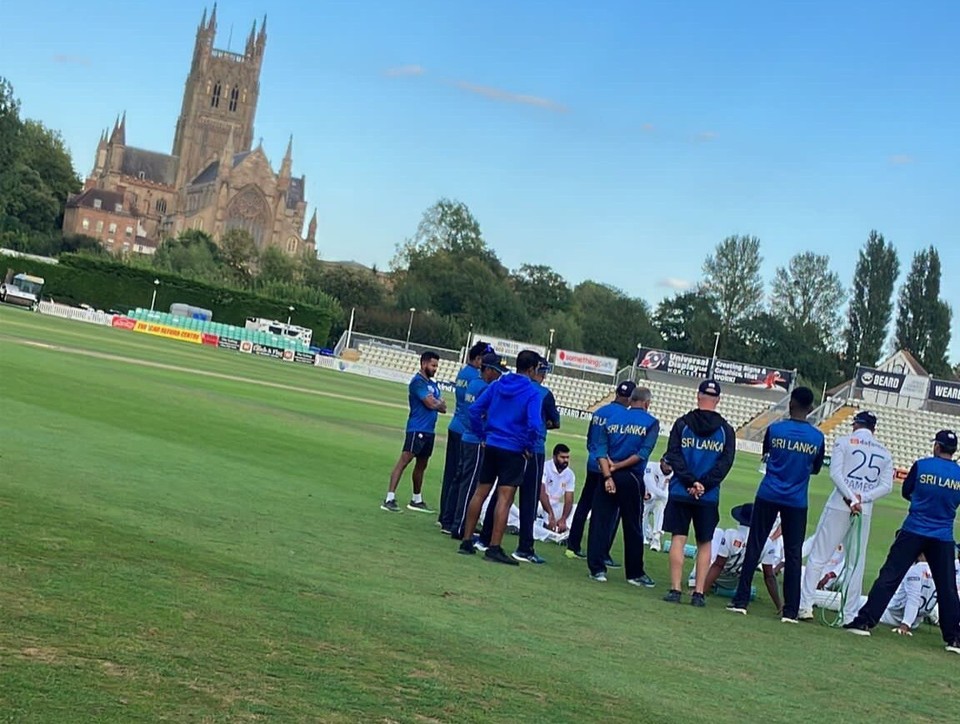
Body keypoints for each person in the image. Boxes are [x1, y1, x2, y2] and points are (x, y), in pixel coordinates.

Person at [845, 430, 960, 655]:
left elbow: (907, 492)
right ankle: (954, 638)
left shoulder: (922, 465)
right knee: (946, 587)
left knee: (889, 576)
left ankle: (865, 622)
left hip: (914, 528)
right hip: (942, 535)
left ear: (937, 446)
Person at [728, 387, 825, 622]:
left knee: (755, 545)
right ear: (811, 408)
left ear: (791, 404)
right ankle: (791, 611)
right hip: (796, 500)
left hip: (769, 493)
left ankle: (740, 601)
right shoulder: (817, 437)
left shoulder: (775, 430)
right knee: (793, 554)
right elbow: (815, 468)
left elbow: (767, 455)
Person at [799, 410, 893, 624]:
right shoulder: (885, 452)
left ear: (856, 425)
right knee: (855, 563)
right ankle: (849, 615)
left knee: (819, 556)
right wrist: (862, 498)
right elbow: (886, 486)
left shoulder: (844, 442)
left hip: (839, 505)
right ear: (873, 429)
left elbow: (835, 474)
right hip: (863, 509)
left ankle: (805, 606)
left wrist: (851, 498)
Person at [458, 350, 544, 565]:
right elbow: (534, 424)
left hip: (493, 443)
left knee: (480, 492)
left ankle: (467, 540)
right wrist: (528, 446)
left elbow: (475, 409)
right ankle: (494, 547)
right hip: (514, 448)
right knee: (505, 498)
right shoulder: (532, 392)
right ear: (532, 369)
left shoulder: (498, 384)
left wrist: (482, 434)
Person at [662, 379, 736, 607]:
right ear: (718, 400)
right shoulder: (726, 430)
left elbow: (674, 455)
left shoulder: (682, 424)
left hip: (681, 490)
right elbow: (725, 464)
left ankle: (675, 589)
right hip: (708, 495)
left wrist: (690, 481)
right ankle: (698, 593)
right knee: (705, 543)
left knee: (678, 538)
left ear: (698, 396)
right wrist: (703, 484)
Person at [587, 386, 659, 584]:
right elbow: (642, 454)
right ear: (646, 403)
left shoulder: (612, 419)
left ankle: (597, 569)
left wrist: (608, 475)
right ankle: (635, 573)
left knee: (600, 521)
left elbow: (600, 450)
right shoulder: (651, 422)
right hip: (631, 477)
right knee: (633, 524)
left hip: (607, 474)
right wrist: (619, 466)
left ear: (631, 400)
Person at [565, 381, 636, 561]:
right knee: (605, 512)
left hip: (592, 463)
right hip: (608, 466)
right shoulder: (624, 417)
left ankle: (572, 545)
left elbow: (590, 440)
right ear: (630, 398)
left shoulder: (599, 412)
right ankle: (600, 553)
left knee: (584, 505)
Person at [448, 353, 507, 539]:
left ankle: (455, 521)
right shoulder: (484, 388)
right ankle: (461, 527)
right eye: (496, 371)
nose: (498, 376)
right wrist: (483, 436)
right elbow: (481, 415)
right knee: (471, 486)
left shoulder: (474, 383)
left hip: (467, 436)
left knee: (463, 481)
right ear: (487, 370)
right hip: (475, 441)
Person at [382, 350, 447, 513]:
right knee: (404, 461)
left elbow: (443, 407)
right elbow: (431, 404)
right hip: (416, 428)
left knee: (422, 465)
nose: (435, 369)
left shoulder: (433, 385)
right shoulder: (417, 382)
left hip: (429, 431)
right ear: (424, 364)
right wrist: (437, 403)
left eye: (436, 366)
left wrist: (437, 403)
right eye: (433, 365)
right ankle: (389, 497)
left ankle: (416, 499)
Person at [438, 341, 493, 532]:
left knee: (453, 475)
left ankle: (447, 516)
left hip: (457, 425)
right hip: (468, 430)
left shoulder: (463, 373)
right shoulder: (476, 379)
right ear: (479, 359)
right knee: (465, 479)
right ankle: (457, 519)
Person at [694, 504, 784, 611]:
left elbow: (718, 565)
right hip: (736, 584)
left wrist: (701, 591)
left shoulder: (730, 534)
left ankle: (698, 584)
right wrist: (779, 604)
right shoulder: (767, 543)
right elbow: (769, 576)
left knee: (716, 533)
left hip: (711, 576)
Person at [879, 556, 937, 635]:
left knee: (860, 602)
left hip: (892, 616)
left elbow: (913, 599)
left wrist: (905, 625)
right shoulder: (942, 571)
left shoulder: (915, 570)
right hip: (916, 622)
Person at [539, 443, 577, 540]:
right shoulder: (545, 467)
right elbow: (541, 493)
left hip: (555, 507)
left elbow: (569, 500)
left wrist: (563, 518)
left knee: (576, 508)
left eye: (567, 457)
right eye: (562, 457)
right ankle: (552, 531)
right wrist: (550, 514)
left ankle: (562, 530)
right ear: (555, 457)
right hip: (541, 506)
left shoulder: (570, 474)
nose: (566, 460)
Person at [643, 457, 672, 551]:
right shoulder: (650, 467)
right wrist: (652, 495)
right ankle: (645, 534)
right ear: (661, 462)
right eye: (667, 464)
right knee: (643, 513)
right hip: (644, 498)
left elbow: (668, 494)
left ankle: (656, 538)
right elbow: (651, 486)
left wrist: (653, 495)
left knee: (659, 506)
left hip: (660, 500)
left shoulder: (674, 474)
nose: (669, 467)